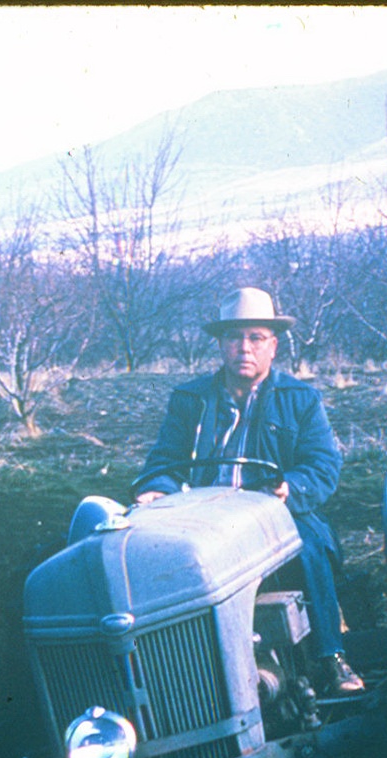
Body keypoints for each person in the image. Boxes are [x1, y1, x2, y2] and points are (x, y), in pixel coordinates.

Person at [133, 287, 364, 694]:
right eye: (234, 337)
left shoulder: (301, 399)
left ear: (273, 346)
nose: (244, 348)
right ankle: (157, 670)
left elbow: (323, 465)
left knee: (308, 547)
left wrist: (290, 488)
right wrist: (157, 489)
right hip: (199, 518)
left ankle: (331, 656)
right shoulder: (189, 399)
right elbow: (164, 462)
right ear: (220, 344)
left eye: (256, 338)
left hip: (273, 512)